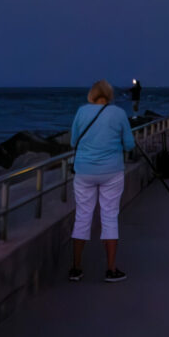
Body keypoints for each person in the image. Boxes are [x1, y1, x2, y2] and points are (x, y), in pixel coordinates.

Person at [68, 80, 135, 283]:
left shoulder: (81, 112)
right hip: (112, 172)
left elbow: (73, 141)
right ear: (109, 94)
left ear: (92, 94)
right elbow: (130, 144)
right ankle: (111, 269)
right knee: (109, 217)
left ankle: (76, 268)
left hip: (84, 172)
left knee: (82, 216)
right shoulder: (119, 113)